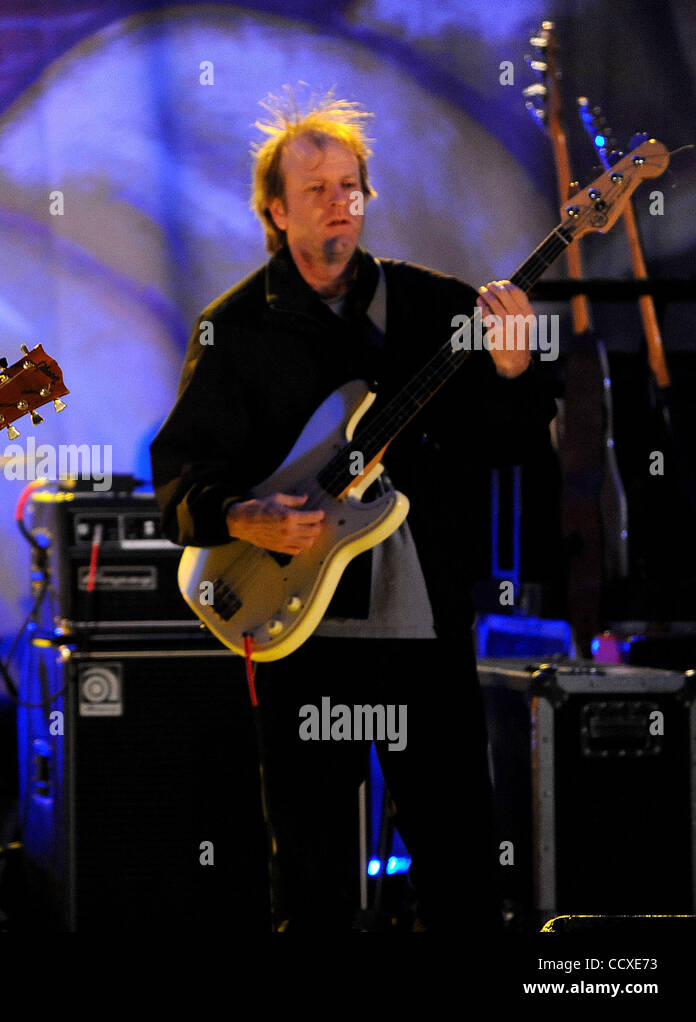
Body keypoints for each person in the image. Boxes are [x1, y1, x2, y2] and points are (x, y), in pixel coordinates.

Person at [151, 94, 557, 931]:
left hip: (425, 630)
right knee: (312, 881)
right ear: (275, 210)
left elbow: (511, 447)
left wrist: (516, 375)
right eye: (319, 189)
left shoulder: (439, 309)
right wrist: (241, 517)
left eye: (352, 185)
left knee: (460, 865)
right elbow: (179, 472)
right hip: (304, 638)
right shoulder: (232, 329)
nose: (342, 201)